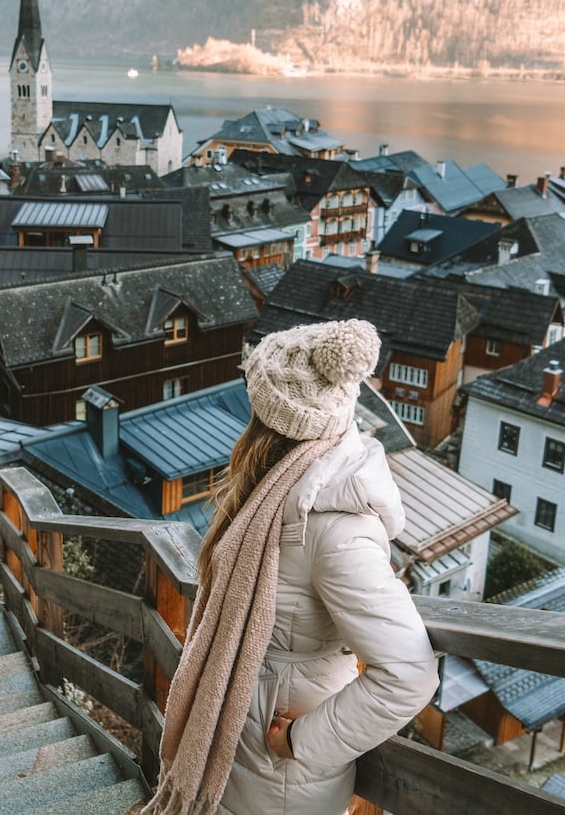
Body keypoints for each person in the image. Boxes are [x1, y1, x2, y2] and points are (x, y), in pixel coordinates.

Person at [141, 319, 439, 815]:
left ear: (273, 419)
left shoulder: (336, 530)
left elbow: (409, 674)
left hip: (278, 769)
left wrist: (301, 742)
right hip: (244, 743)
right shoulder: (276, 496)